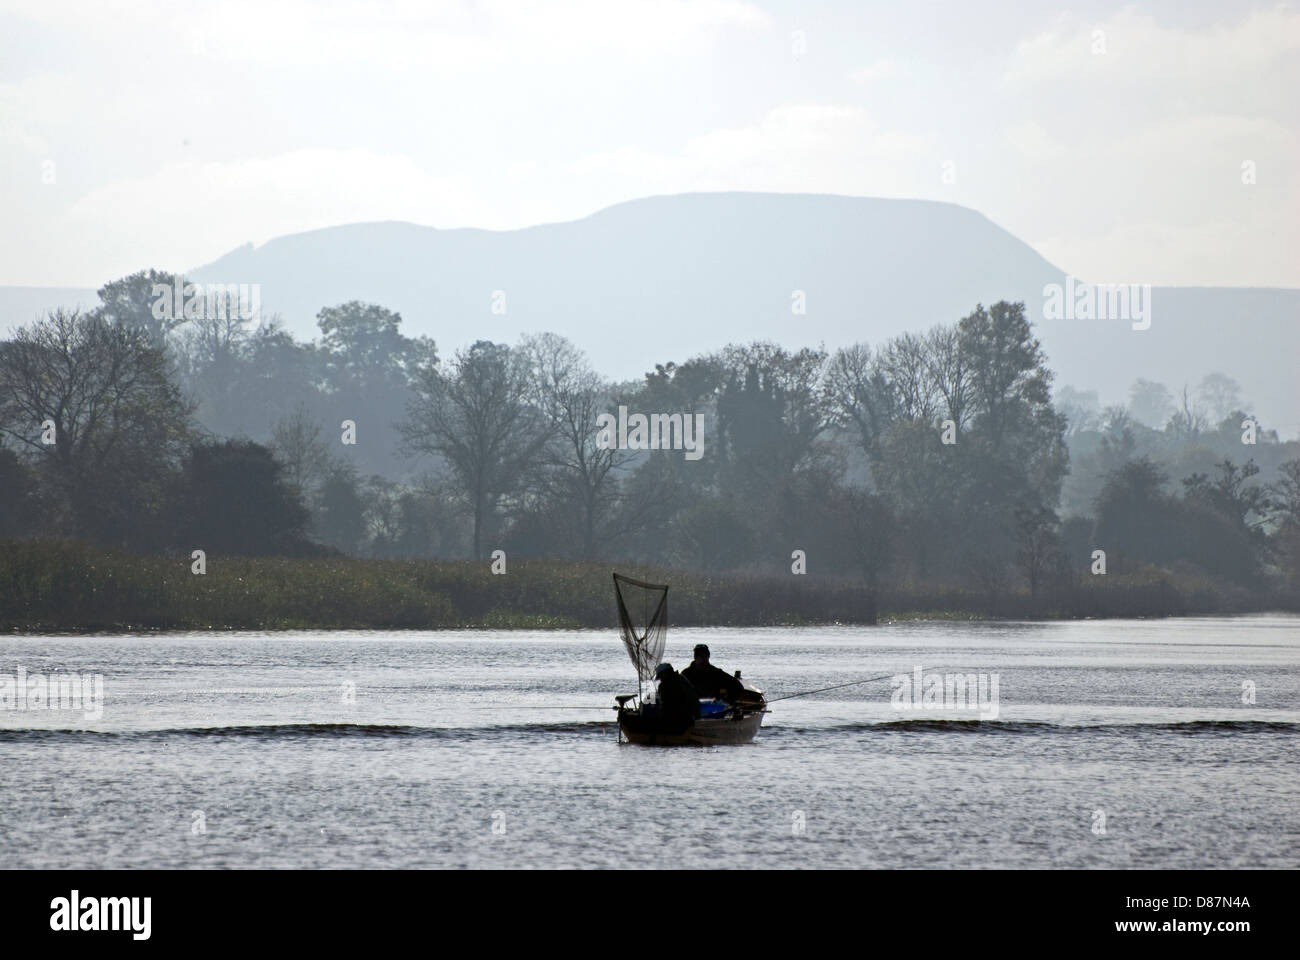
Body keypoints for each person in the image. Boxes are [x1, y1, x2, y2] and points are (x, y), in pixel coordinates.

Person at [653, 662, 700, 732]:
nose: (661, 680)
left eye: (660, 677)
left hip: (678, 720)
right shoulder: (682, 679)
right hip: (691, 718)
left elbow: (665, 706)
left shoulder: (665, 686)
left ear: (664, 674)